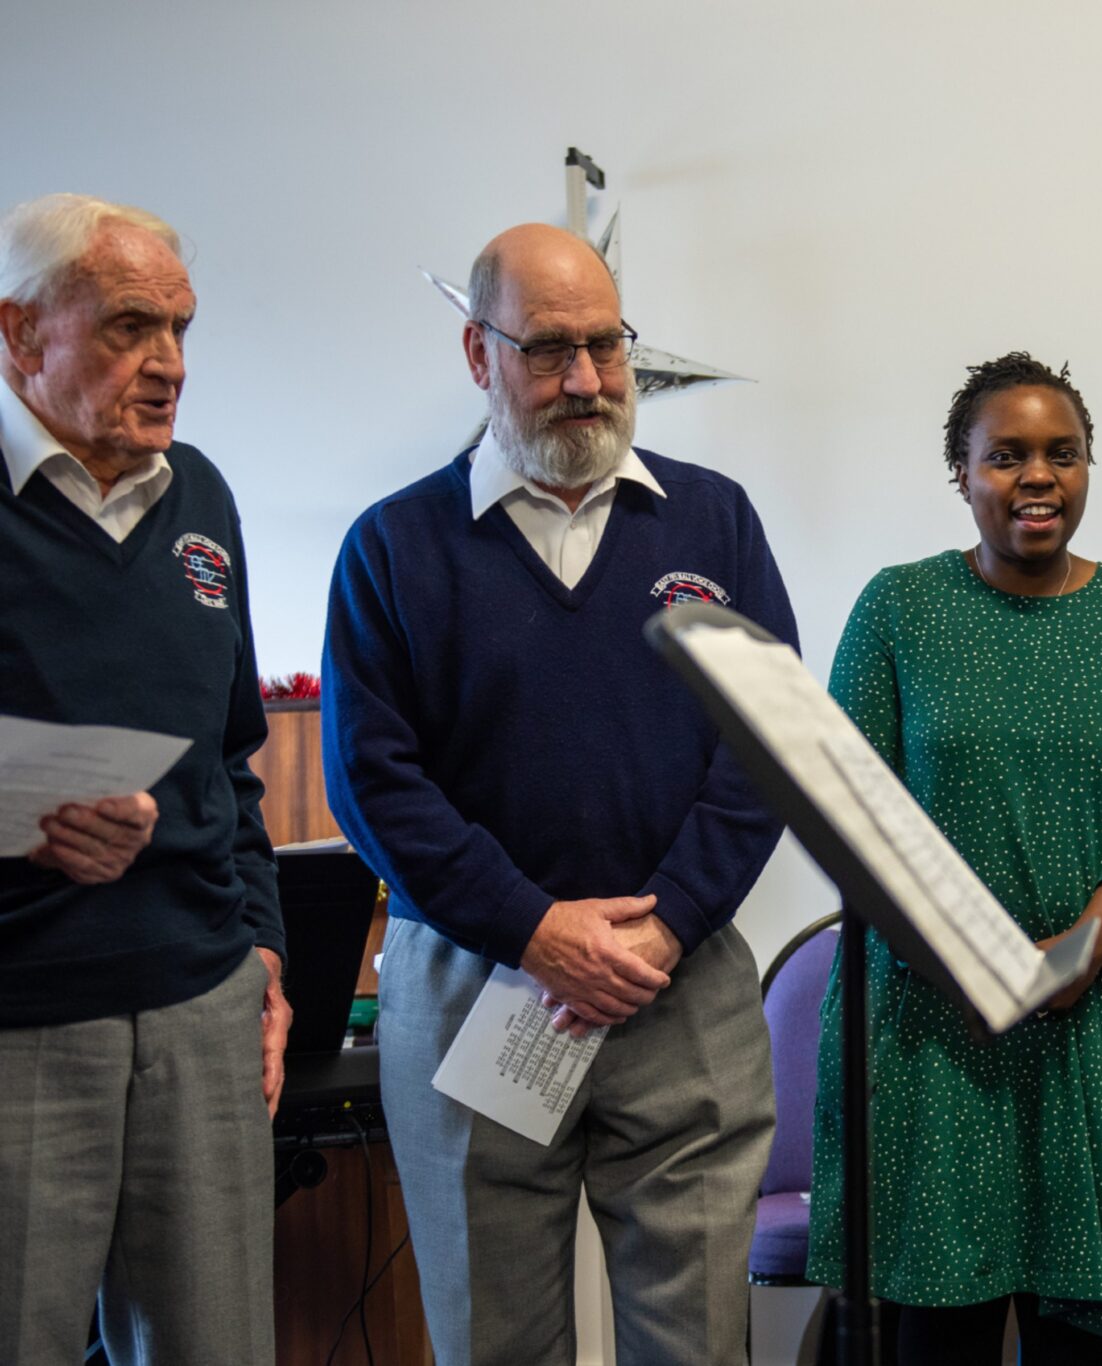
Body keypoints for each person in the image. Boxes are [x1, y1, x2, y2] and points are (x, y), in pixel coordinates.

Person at [322, 222, 795, 1366]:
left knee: (694, 1345)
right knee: (497, 1341)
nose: (585, 380)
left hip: (676, 986)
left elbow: (769, 745)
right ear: (478, 356)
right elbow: (371, 782)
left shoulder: (712, 520)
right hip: (480, 988)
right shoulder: (393, 546)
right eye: (547, 350)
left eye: (604, 345)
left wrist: (669, 918)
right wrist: (536, 930)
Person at [806, 352, 1102, 1364]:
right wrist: (975, 960)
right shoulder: (897, 609)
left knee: (1084, 1339)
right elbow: (844, 797)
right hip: (933, 1030)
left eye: (1061, 453)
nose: (1037, 475)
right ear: (960, 473)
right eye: (1006, 455)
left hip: (1096, 1019)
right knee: (936, 1336)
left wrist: (1079, 948)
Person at [0, 193, 289, 1364]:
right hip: (20, 1021)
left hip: (201, 1007)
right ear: (20, 333)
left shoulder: (201, 497)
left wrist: (264, 950)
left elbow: (232, 756)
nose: (167, 363)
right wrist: (19, 819)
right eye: (128, 326)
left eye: (180, 327)